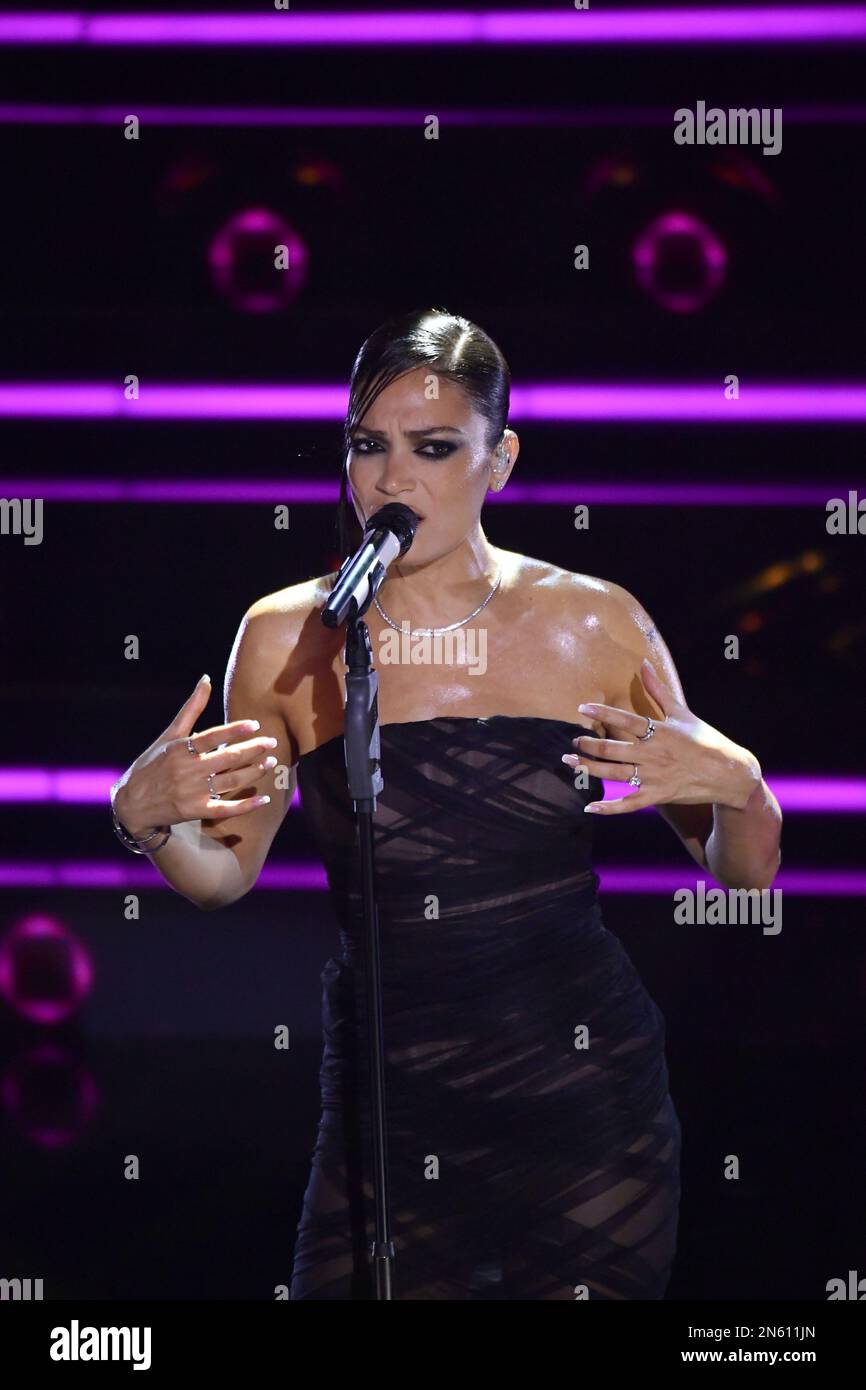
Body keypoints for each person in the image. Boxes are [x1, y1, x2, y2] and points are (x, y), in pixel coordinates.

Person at [110, 306, 782, 1300]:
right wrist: (145, 819)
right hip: (389, 1103)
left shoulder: (592, 621)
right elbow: (222, 876)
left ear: (499, 459)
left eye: (432, 448)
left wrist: (741, 783)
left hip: (579, 1093)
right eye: (367, 445)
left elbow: (740, 866)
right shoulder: (288, 636)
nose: (391, 479)